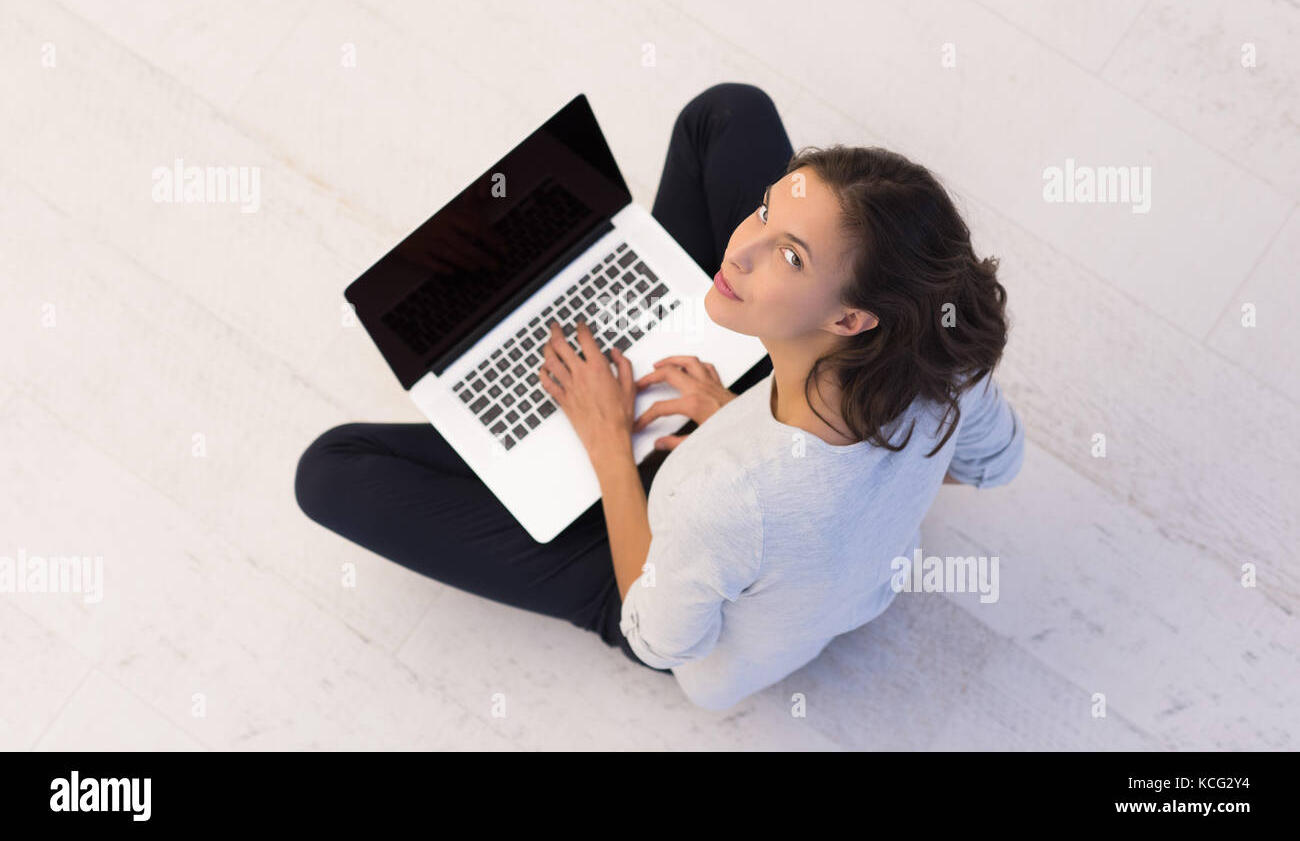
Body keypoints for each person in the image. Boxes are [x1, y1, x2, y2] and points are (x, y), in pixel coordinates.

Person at [294, 83, 1025, 711]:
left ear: (848, 319)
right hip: (750, 488)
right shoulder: (939, 353)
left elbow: (663, 637)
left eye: (791, 257)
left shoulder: (721, 492)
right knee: (727, 114)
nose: (743, 249)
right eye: (768, 212)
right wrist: (777, 442)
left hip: (678, 595)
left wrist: (610, 440)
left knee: (330, 469)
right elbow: (993, 464)